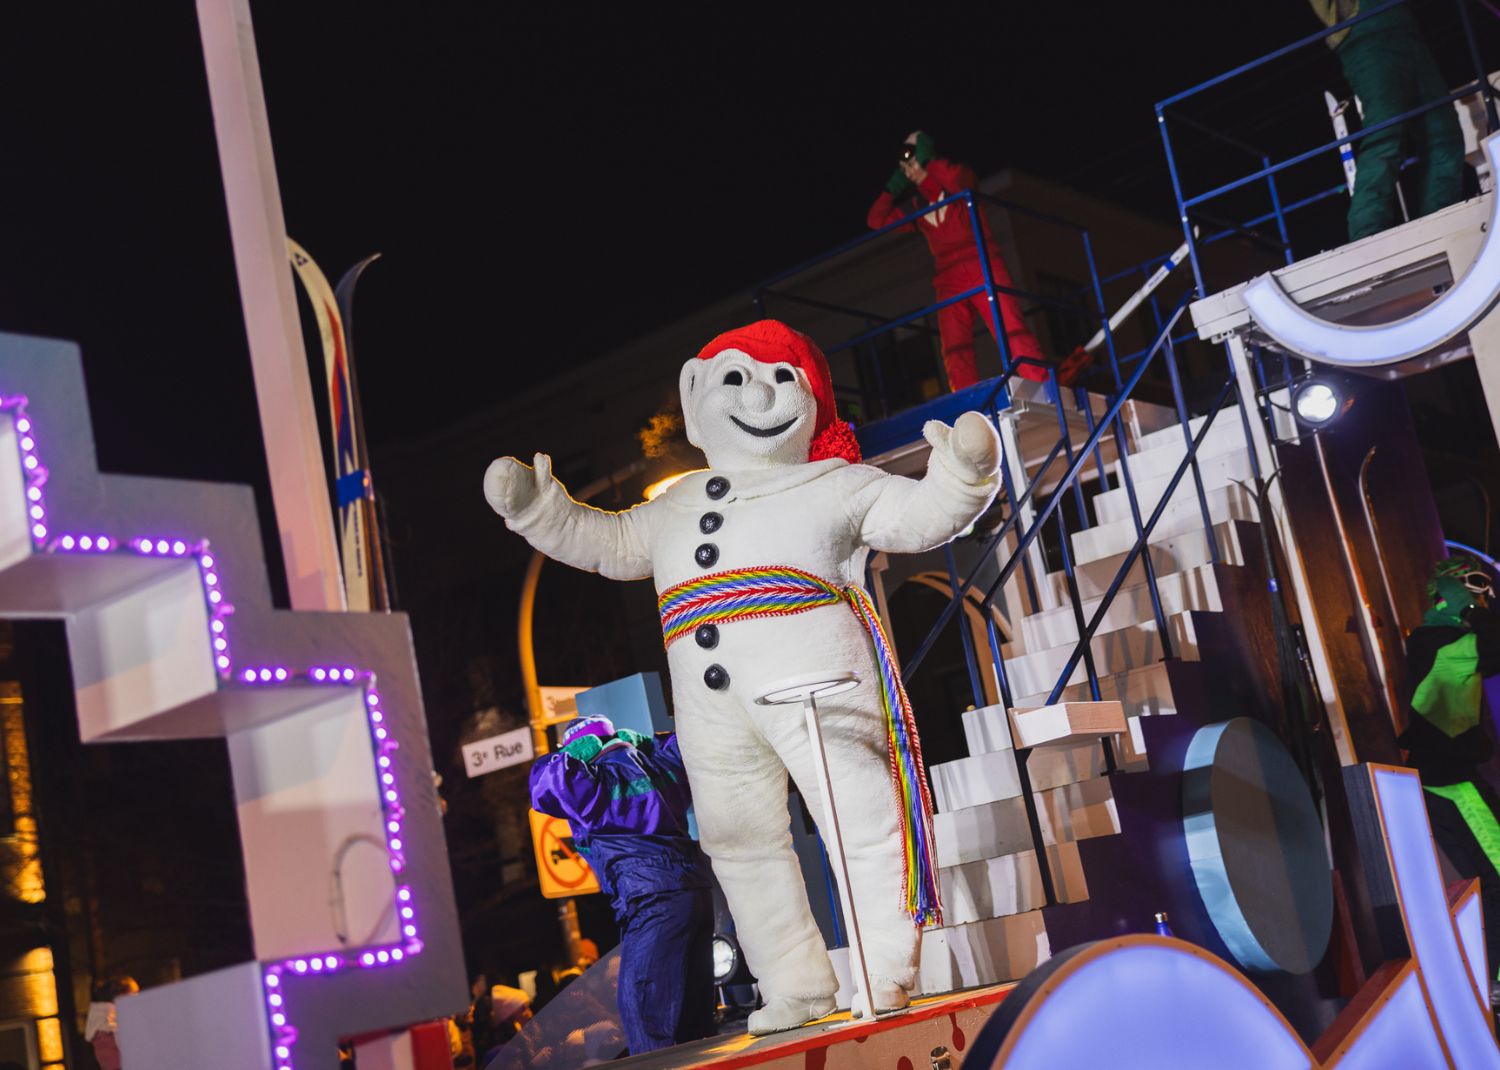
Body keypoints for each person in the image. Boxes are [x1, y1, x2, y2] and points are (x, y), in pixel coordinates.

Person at [488, 320, 1000, 1034]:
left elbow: (917, 516)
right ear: (696, 393)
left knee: (860, 824)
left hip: (820, 688)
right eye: (735, 377)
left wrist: (962, 474)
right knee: (739, 840)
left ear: (813, 403)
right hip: (712, 710)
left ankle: (884, 970)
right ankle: (794, 983)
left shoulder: (835, 483)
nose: (759, 392)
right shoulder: (674, 505)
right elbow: (605, 541)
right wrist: (540, 511)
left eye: (782, 378)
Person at [529, 715, 715, 1055]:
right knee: (694, 1023)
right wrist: (649, 741)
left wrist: (573, 753)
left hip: (651, 898)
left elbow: (544, 785)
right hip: (695, 893)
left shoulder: (595, 780)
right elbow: (689, 741)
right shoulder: (659, 766)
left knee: (645, 1017)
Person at [867, 131, 1088, 393]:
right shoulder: (916, 205)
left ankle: (1042, 386)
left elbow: (957, 179)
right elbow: (876, 220)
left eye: (914, 158)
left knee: (1010, 329)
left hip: (982, 263)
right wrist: (894, 187)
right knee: (954, 346)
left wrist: (928, 165)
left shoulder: (958, 181)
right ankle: (966, 399)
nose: (910, 167)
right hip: (948, 278)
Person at [1400, 556, 1500, 996]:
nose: (1488, 595)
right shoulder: (1442, 641)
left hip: (1443, 778)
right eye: (1478, 586)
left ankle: (1490, 981)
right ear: (1453, 590)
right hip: (1449, 780)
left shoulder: (1438, 640)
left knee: (1487, 881)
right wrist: (1477, 610)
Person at [1309, 1, 1465, 240]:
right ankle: (1367, 233)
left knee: (1444, 134)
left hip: (1406, 30)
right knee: (1386, 131)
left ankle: (1441, 221)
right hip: (1365, 35)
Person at [84, 975, 138, 1070]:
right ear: (120, 996)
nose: (137, 1000)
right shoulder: (108, 1023)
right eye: (133, 995)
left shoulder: (102, 1019)